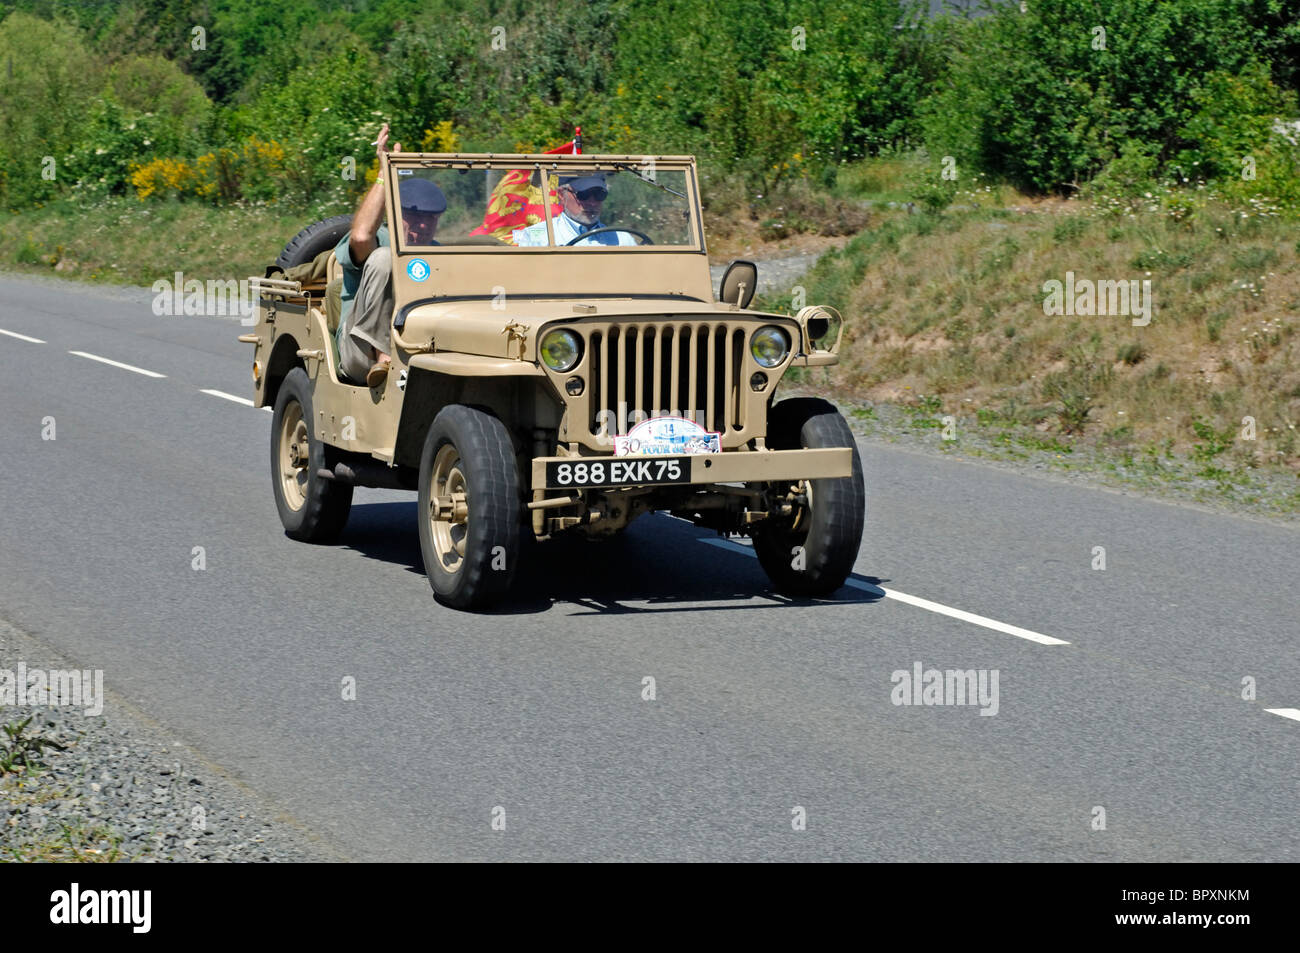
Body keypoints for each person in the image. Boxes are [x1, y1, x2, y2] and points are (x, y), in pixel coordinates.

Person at [335, 122, 447, 387]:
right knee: (385, 258)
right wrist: (386, 171)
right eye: (414, 216)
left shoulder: (441, 254)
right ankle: (384, 357)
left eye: (430, 219)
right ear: (395, 211)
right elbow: (361, 236)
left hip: (423, 348)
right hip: (359, 351)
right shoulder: (381, 239)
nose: (422, 225)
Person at [512, 173, 638, 246]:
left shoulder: (623, 240)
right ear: (562, 195)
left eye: (599, 194)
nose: (592, 202)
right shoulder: (534, 237)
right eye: (583, 194)